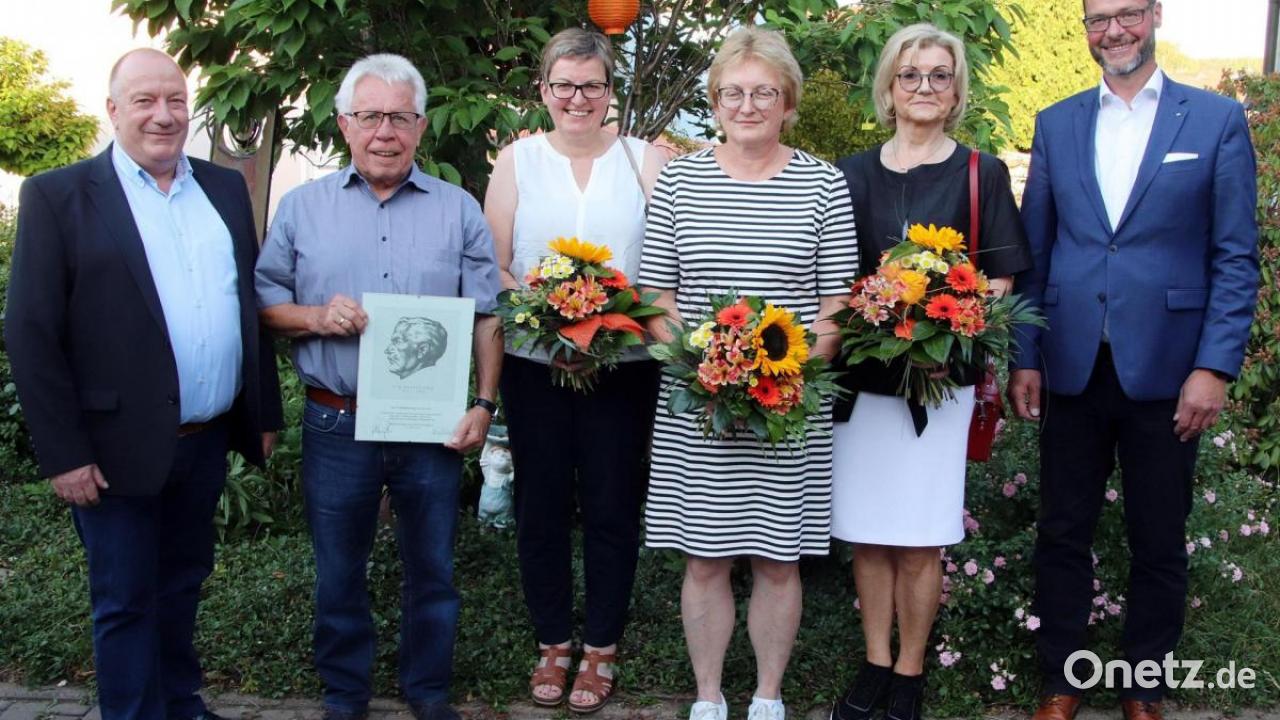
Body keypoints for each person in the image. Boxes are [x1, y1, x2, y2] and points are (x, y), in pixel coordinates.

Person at [4, 48, 283, 720]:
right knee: (125, 599)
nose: (164, 115)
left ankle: (180, 703)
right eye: (145, 101)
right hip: (110, 447)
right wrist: (64, 453)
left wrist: (263, 412)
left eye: (176, 100)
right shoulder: (59, 195)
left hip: (205, 437)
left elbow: (245, 307)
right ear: (113, 110)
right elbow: (30, 333)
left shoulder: (221, 189)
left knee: (183, 583)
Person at [1008, 2, 1259, 719]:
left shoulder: (1213, 121)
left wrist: (1214, 367)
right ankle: (1061, 681)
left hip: (1170, 369)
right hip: (1071, 361)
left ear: (1155, 15)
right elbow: (1037, 250)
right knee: (1062, 531)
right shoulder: (1057, 122)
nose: (1112, 31)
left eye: (1126, 15)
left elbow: (1235, 257)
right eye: (1097, 19)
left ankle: (1143, 686)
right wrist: (1025, 353)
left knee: (1157, 536)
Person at [254, 53, 503, 720]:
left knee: (434, 572)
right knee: (339, 571)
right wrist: (313, 316)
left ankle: (426, 693)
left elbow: (486, 315)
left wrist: (483, 403)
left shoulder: (458, 210)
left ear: (421, 127)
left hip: (431, 426)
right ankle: (345, 694)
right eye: (370, 117)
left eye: (399, 116)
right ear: (344, 124)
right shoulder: (302, 209)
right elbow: (262, 303)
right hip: (336, 422)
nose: (384, 131)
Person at [637, 26, 858, 720]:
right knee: (703, 559)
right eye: (733, 92)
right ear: (715, 101)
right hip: (699, 405)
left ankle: (767, 696)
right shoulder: (679, 179)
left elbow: (836, 305)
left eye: (764, 91)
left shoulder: (824, 184)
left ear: (788, 100)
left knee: (777, 559)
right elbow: (658, 298)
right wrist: (708, 372)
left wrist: (781, 376)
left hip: (787, 405)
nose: (748, 104)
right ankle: (708, 698)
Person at [827, 23, 1032, 720]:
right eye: (910, 74)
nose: (923, 87)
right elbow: (834, 278)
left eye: (939, 75)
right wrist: (879, 316)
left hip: (938, 387)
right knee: (868, 532)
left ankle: (909, 673)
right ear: (887, 86)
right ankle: (874, 663)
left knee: (918, 537)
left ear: (955, 90)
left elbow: (1001, 278)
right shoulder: (849, 174)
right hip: (864, 385)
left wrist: (938, 322)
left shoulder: (982, 173)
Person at [483, 27, 667, 713]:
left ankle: (601, 648)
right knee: (542, 502)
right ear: (544, 90)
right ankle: (553, 641)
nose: (577, 98)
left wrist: (610, 315)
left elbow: (668, 269)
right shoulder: (518, 162)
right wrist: (548, 316)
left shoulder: (647, 160)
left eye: (592, 85)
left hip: (624, 366)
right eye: (564, 85)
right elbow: (495, 264)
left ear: (610, 91)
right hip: (537, 365)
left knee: (615, 504)